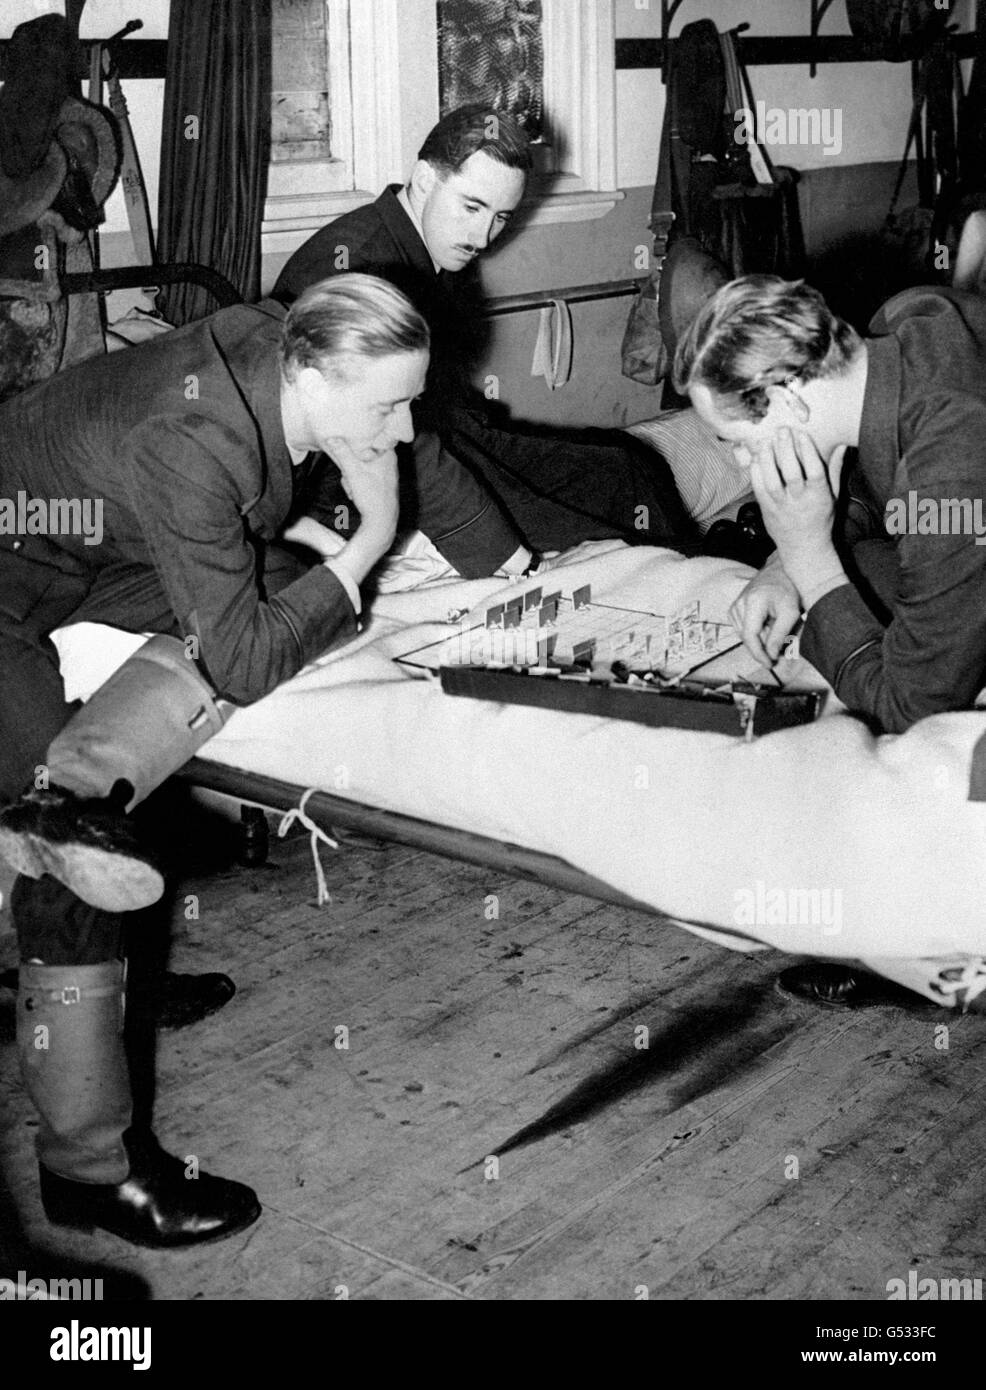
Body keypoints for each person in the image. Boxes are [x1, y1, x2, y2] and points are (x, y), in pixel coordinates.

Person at [0, 273, 520, 1248]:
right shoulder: (196, 437)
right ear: (310, 373)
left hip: (63, 546)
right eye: (388, 405)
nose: (403, 432)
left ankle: (76, 895)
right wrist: (365, 540)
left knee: (288, 588)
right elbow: (238, 656)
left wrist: (322, 557)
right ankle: (88, 1169)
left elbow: (246, 570)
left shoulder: (271, 345)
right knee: (71, 873)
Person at [674, 273, 986, 1011]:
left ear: (789, 401)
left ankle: (943, 950)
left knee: (910, 750)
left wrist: (811, 560)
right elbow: (877, 499)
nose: (747, 469)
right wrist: (786, 562)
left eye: (740, 444)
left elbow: (916, 706)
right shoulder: (907, 322)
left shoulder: (951, 474)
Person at [272, 103, 735, 560]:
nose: (484, 235)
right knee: (583, 530)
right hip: (366, 472)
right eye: (472, 206)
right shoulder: (359, 265)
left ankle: (702, 560)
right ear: (424, 180)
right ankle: (685, 568)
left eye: (500, 217)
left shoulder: (426, 241)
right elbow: (359, 441)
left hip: (441, 435)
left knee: (627, 465)